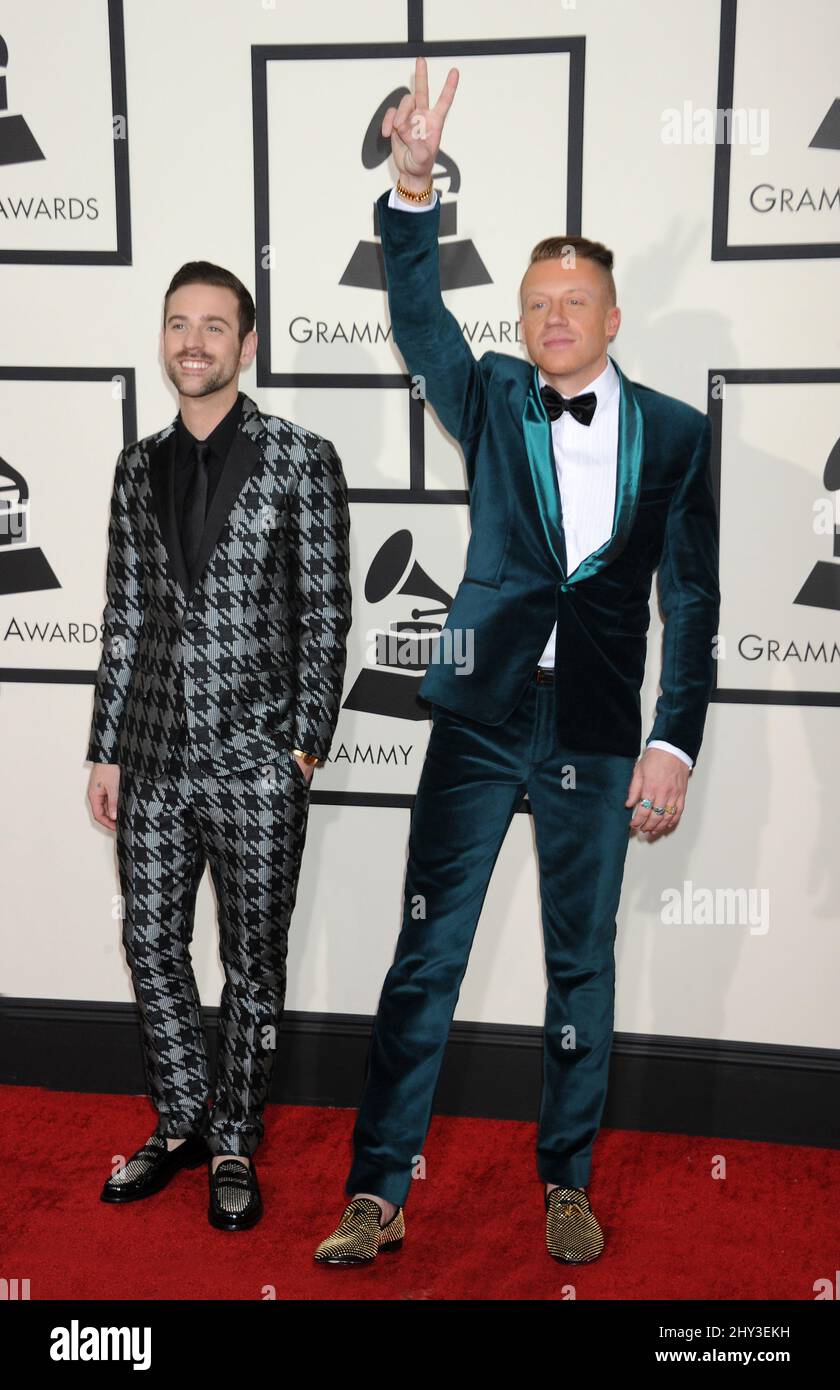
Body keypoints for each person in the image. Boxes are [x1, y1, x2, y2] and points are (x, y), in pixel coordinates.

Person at [314, 58, 719, 1266]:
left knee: (580, 965)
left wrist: (672, 736)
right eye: (537, 300)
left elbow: (693, 599)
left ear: (609, 316)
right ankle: (378, 1191)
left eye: (573, 301)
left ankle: (567, 1180)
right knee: (425, 952)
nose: (550, 316)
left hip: (598, 733)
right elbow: (419, 316)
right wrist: (412, 184)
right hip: (483, 717)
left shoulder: (682, 437)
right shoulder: (490, 394)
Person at [86, 261, 351, 1230]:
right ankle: (182, 1118)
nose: (192, 341)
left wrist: (304, 748)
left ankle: (235, 1132)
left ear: (247, 345)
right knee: (149, 943)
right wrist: (106, 746)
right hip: (150, 756)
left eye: (213, 326)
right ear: (163, 341)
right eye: (177, 324)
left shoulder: (300, 459)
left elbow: (327, 612)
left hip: (257, 762)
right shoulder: (135, 466)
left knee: (252, 962)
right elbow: (123, 616)